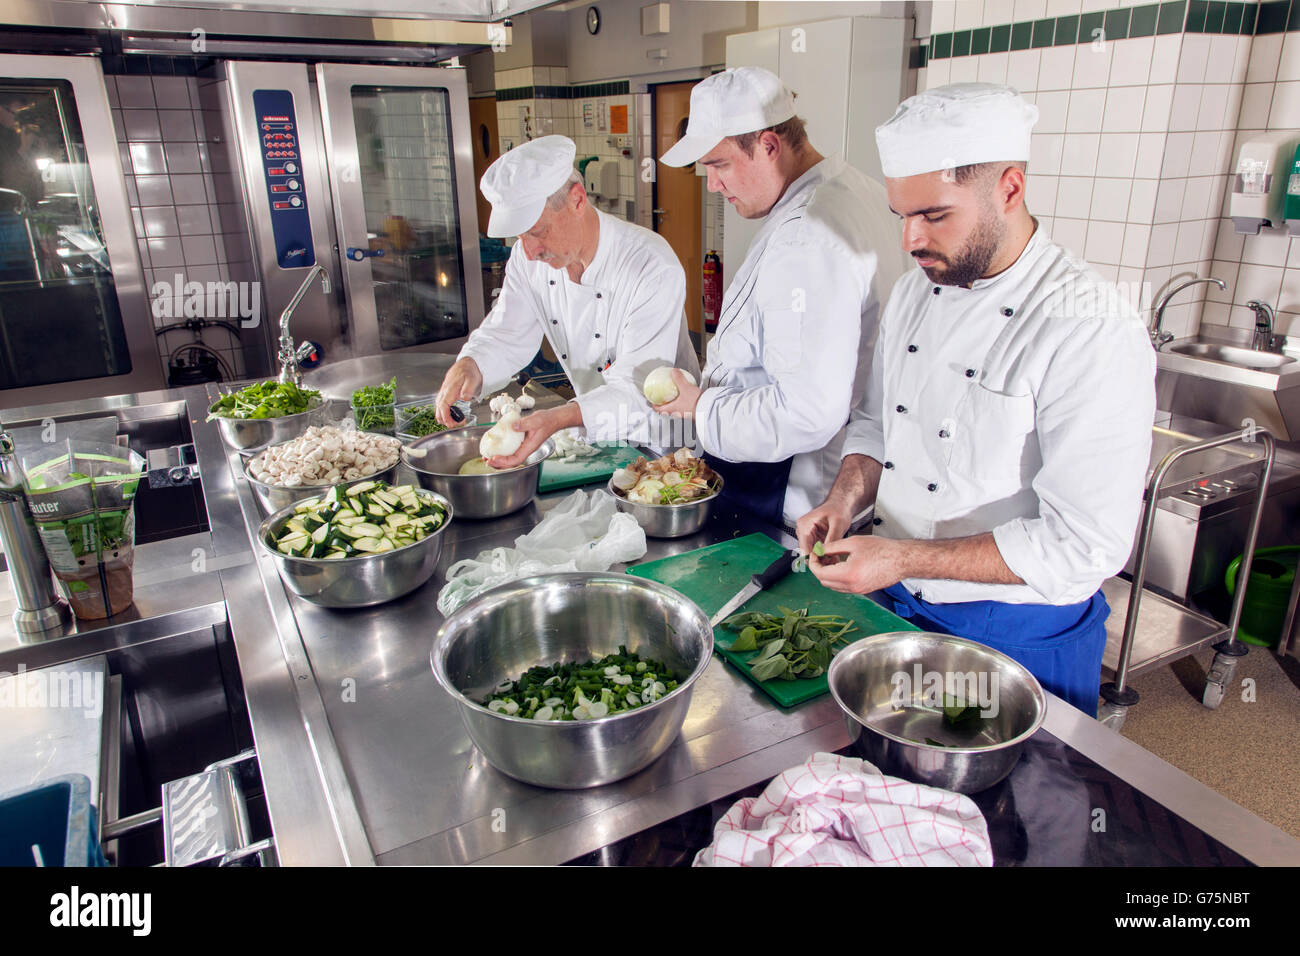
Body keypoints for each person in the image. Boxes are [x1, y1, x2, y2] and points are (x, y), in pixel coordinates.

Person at [796, 83, 1156, 716]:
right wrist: (843, 500)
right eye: (900, 215)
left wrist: (901, 556)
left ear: (1009, 189)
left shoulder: (1089, 324)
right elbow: (879, 424)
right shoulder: (914, 293)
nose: (909, 239)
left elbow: (1084, 545)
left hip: (1017, 634)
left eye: (934, 215)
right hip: (898, 598)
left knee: (1023, 812)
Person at [652, 67, 909, 528]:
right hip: (833, 476)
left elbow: (806, 410)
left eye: (719, 164)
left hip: (789, 488)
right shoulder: (856, 191)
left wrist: (698, 405)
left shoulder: (807, 233)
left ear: (769, 146)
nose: (712, 184)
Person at [435, 135, 698, 464]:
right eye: (520, 236)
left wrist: (558, 418)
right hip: (596, 436)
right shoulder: (526, 258)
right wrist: (470, 364)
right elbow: (508, 332)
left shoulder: (650, 264)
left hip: (663, 442)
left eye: (537, 231)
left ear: (577, 200)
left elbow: (638, 387)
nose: (529, 251)